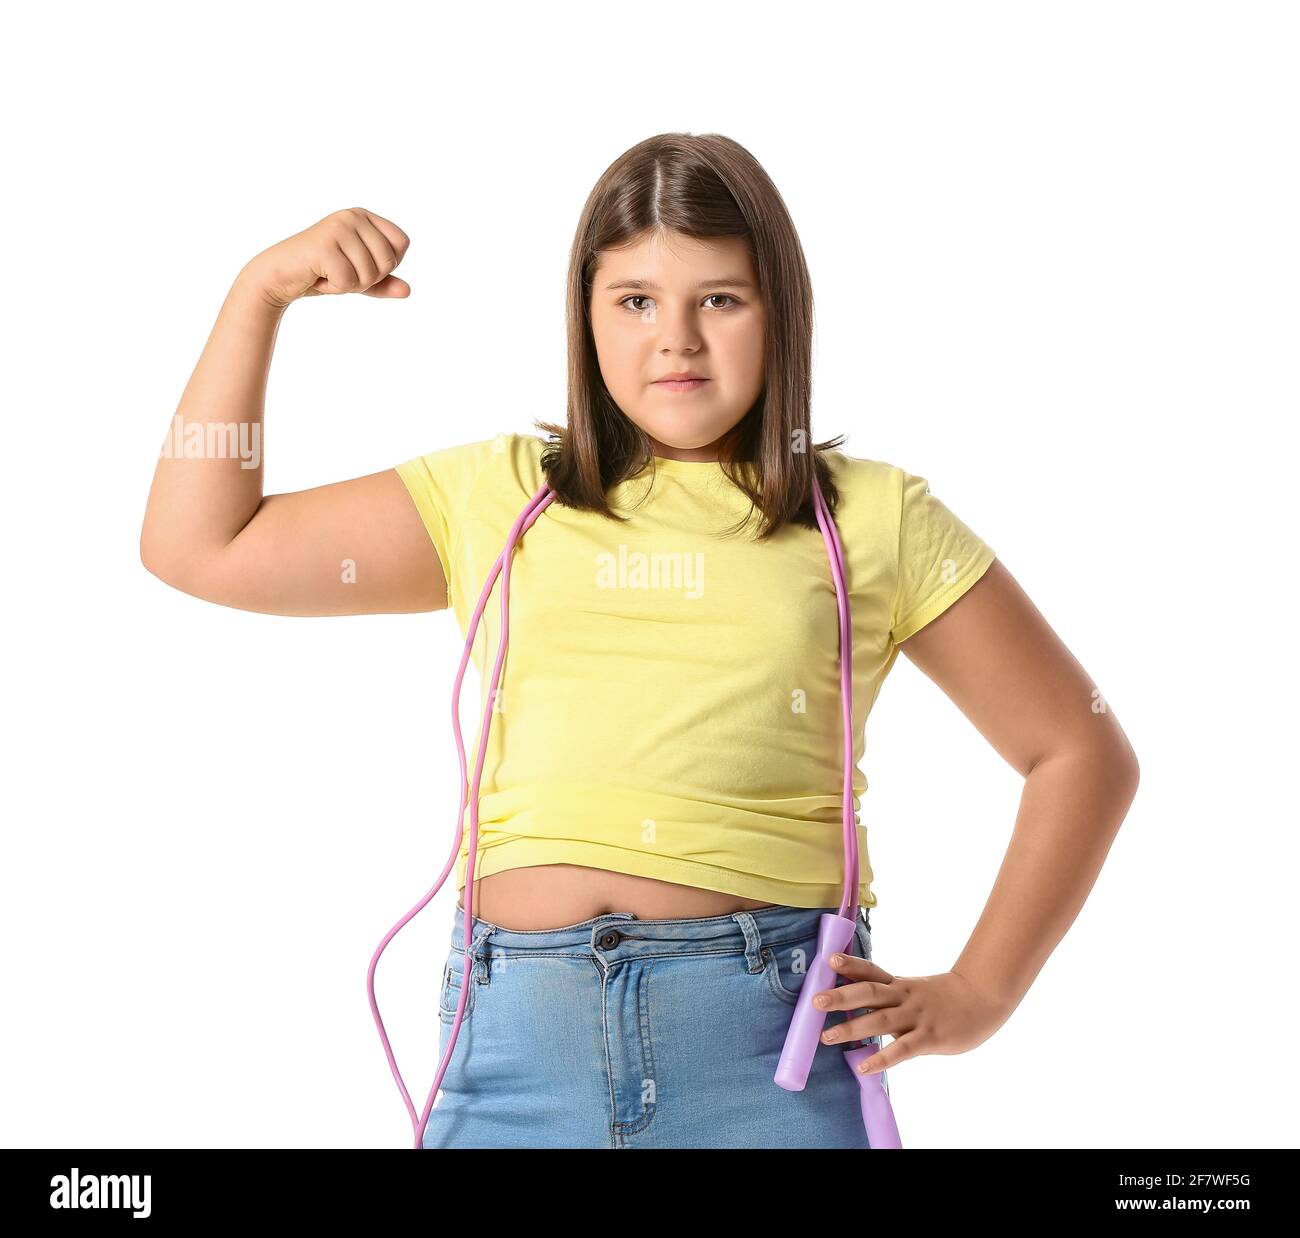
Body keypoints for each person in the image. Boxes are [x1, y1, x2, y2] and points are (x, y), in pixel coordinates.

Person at [139, 132, 1140, 1149]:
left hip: (766, 1056)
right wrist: (255, 297)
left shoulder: (870, 518)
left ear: (780, 312)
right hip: (515, 1055)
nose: (677, 341)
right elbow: (199, 544)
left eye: (719, 298)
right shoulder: (497, 496)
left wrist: (983, 988)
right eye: (634, 301)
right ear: (584, 317)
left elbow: (1078, 749)